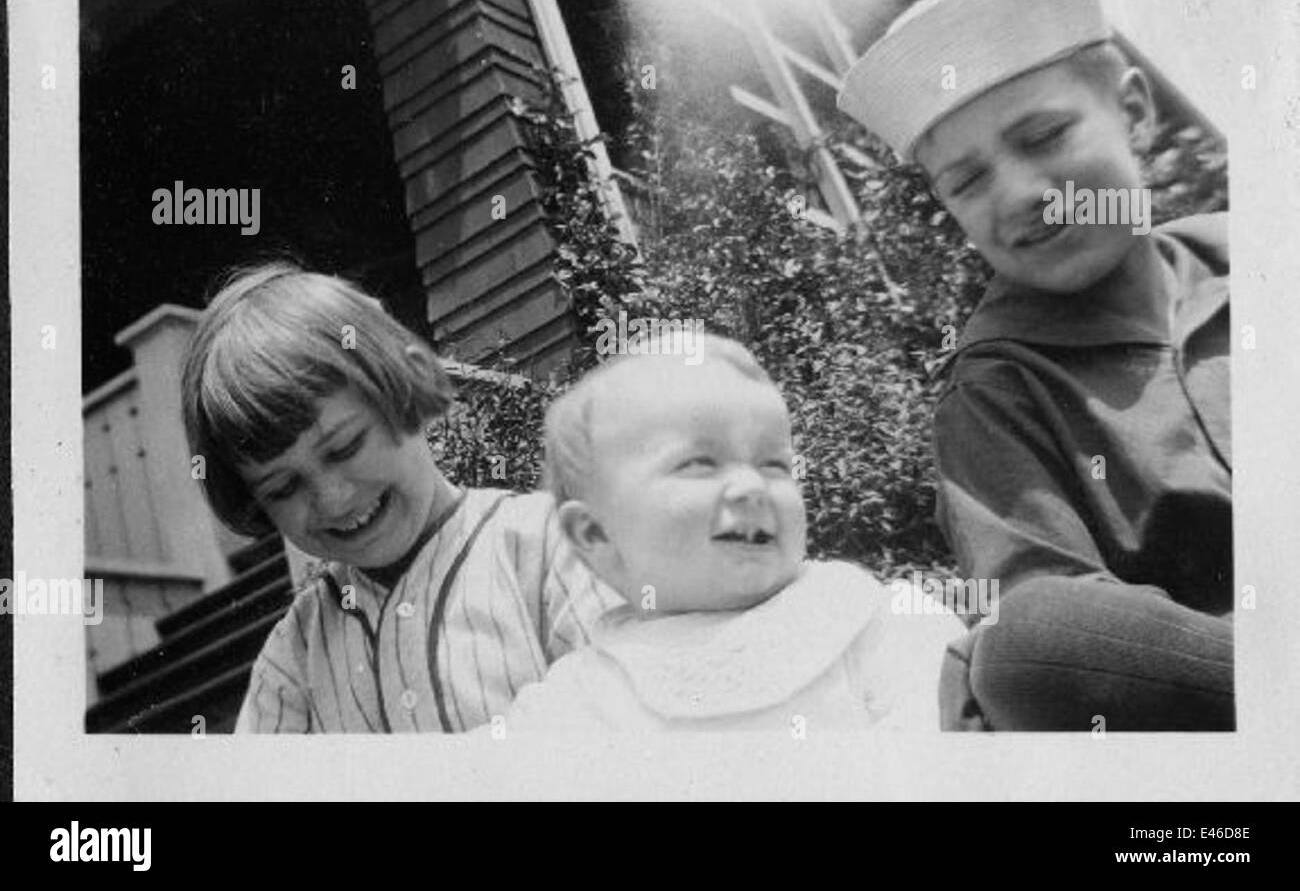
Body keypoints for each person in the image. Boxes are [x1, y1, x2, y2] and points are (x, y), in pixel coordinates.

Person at [837, 0, 1233, 730]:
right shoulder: (995, 388)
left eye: (1046, 135)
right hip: (1218, 693)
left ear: (1137, 113)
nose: (1020, 194)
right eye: (968, 181)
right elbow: (1053, 636)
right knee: (1027, 640)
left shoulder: (1247, 256)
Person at [180, 261, 622, 732]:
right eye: (283, 488)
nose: (333, 499)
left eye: (345, 446)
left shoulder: (551, 552)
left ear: (404, 391)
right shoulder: (295, 659)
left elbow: (626, 727)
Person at [501, 333, 962, 731]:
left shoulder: (873, 623)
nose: (751, 486)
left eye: (774, 464)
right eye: (699, 464)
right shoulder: (582, 703)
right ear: (596, 534)